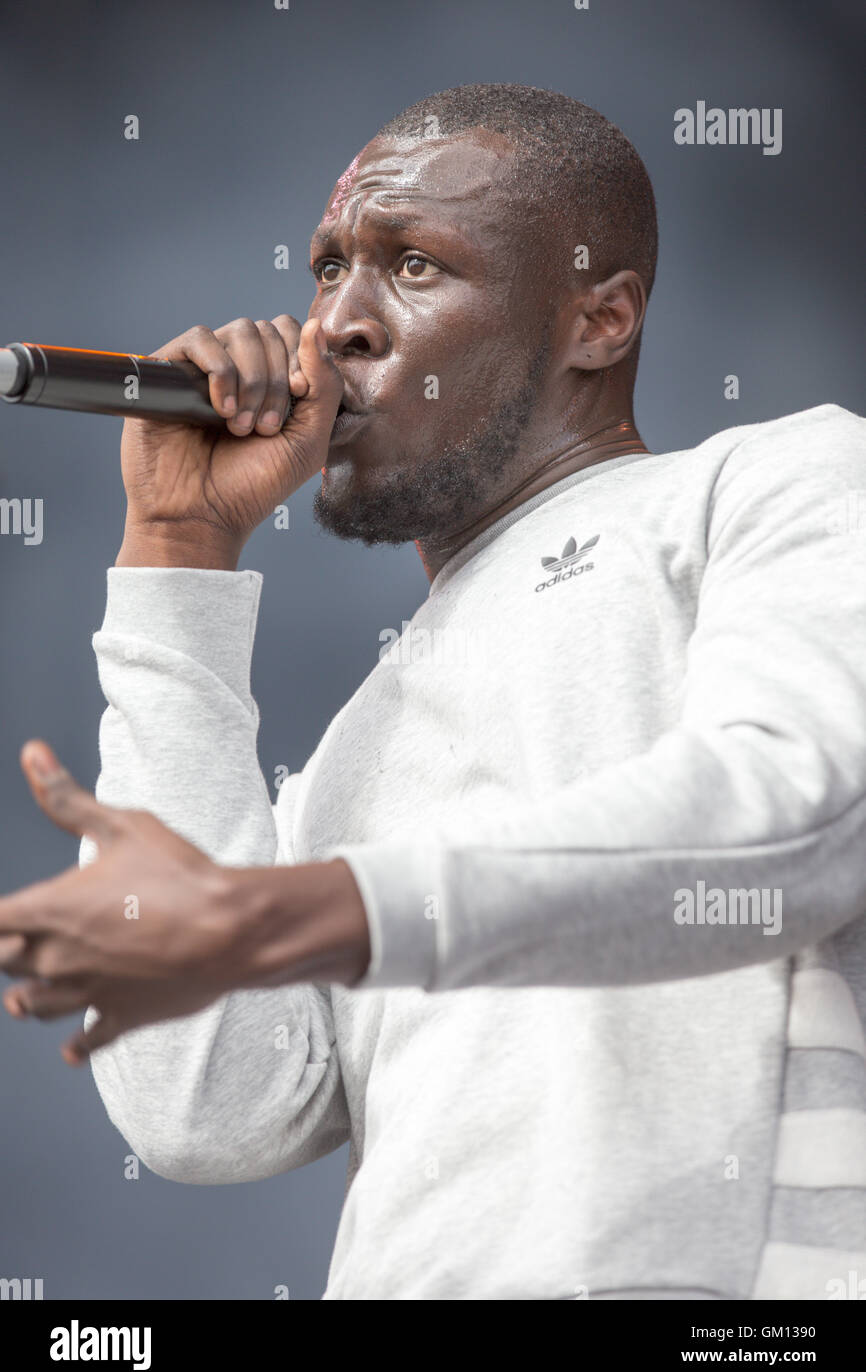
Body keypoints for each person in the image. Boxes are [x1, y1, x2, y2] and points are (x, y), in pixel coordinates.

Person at [1, 82, 865, 1301]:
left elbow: (792, 817)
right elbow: (209, 1109)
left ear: (599, 318)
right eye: (328, 268)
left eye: (412, 266)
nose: (334, 325)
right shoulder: (358, 745)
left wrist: (286, 911)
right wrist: (177, 550)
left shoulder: (778, 481)